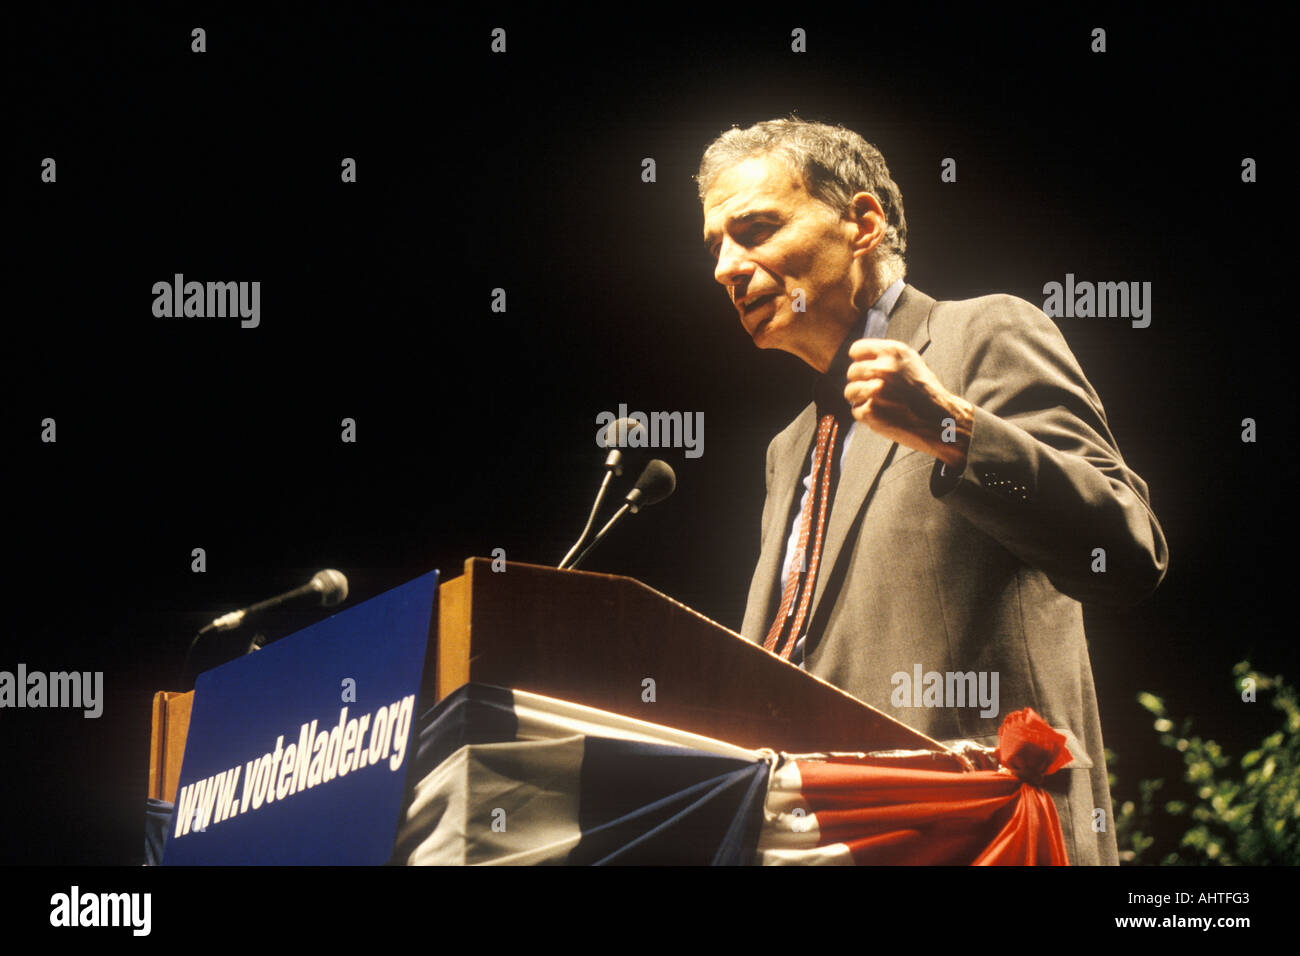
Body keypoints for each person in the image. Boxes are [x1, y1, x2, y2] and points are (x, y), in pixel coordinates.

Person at [697, 117, 1168, 865]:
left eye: (754, 228)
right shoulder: (787, 449)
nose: (727, 264)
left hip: (980, 834)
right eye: (716, 244)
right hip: (812, 836)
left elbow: (1128, 547)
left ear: (861, 222)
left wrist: (955, 431)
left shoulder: (982, 335)